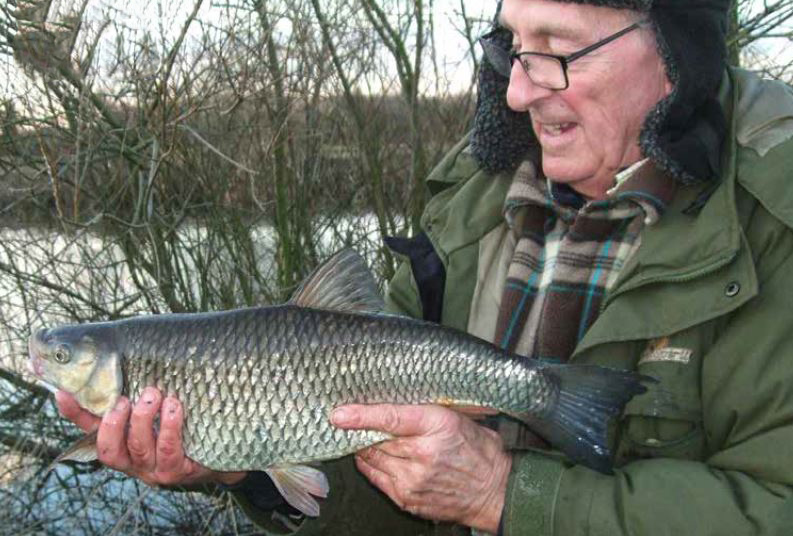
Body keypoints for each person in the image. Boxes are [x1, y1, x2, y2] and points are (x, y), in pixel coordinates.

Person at [56, 0, 793, 534]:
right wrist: (244, 463)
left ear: (674, 51)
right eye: (511, 46)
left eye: (556, 50)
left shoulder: (774, 227)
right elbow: (375, 475)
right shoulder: (468, 207)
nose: (515, 89)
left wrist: (508, 496)